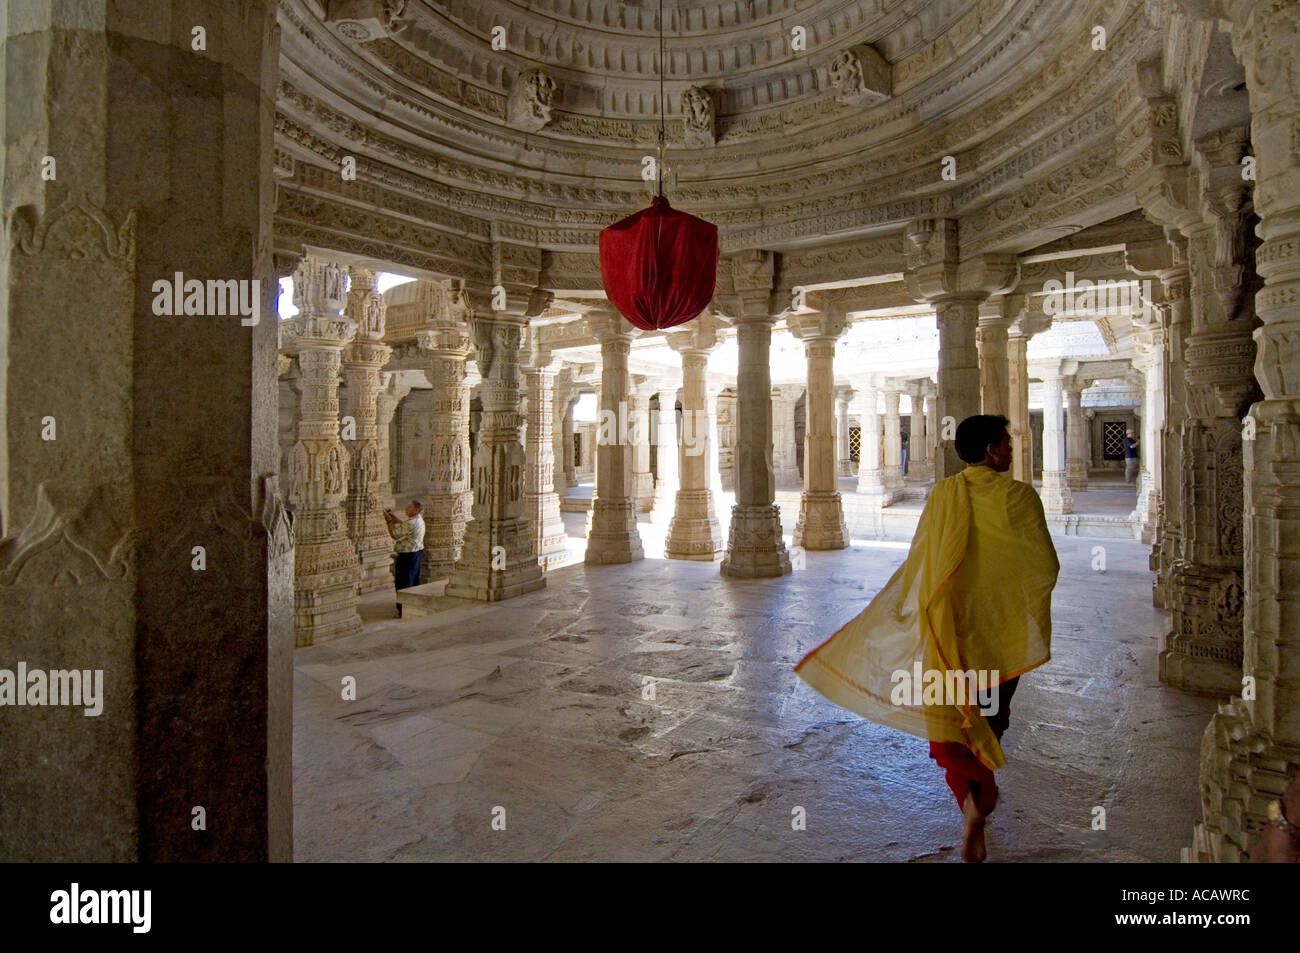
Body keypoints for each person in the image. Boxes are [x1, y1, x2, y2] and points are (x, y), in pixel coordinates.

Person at [796, 414, 1059, 862]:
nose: (1012, 450)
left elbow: (924, 560)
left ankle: (972, 803)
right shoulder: (1019, 496)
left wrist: (915, 611)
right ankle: (981, 799)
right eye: (1006, 443)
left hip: (951, 629)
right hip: (1000, 630)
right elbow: (1043, 565)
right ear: (993, 450)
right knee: (991, 716)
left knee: (954, 718)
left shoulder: (943, 495)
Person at [384, 500, 424, 618]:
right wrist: (397, 520)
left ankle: (403, 609)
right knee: (412, 580)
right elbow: (407, 529)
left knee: (404, 582)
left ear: (416, 510)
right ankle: (411, 607)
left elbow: (395, 534)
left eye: (409, 507)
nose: (406, 508)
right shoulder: (418, 519)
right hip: (415, 554)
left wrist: (389, 521)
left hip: (407, 555)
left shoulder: (411, 523)